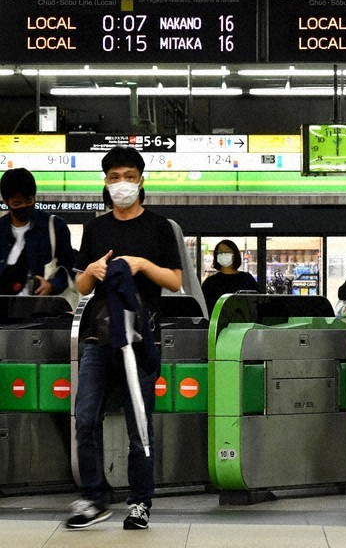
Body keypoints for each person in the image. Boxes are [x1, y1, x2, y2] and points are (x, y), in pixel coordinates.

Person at [67, 146, 182, 530]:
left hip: (141, 339)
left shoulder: (160, 227)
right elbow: (82, 285)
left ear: (141, 181)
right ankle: (94, 497)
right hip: (98, 338)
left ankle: (140, 502)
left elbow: (175, 281)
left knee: (139, 425)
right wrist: (93, 270)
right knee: (85, 418)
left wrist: (143, 264)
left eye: (129, 177)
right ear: (105, 182)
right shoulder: (96, 228)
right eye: (114, 177)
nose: (121, 184)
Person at [0, 168, 75, 299]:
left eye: (29, 201)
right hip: (5, 307)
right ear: (6, 202)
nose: (24, 206)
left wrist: (52, 285)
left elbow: (70, 266)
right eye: (17, 203)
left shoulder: (55, 226)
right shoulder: (2, 229)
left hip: (43, 306)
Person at [201, 239, 259, 315]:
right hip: (216, 321)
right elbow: (203, 307)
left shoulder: (246, 279)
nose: (223, 254)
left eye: (227, 251)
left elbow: (257, 303)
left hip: (242, 321)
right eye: (220, 252)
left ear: (234, 255)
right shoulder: (210, 282)